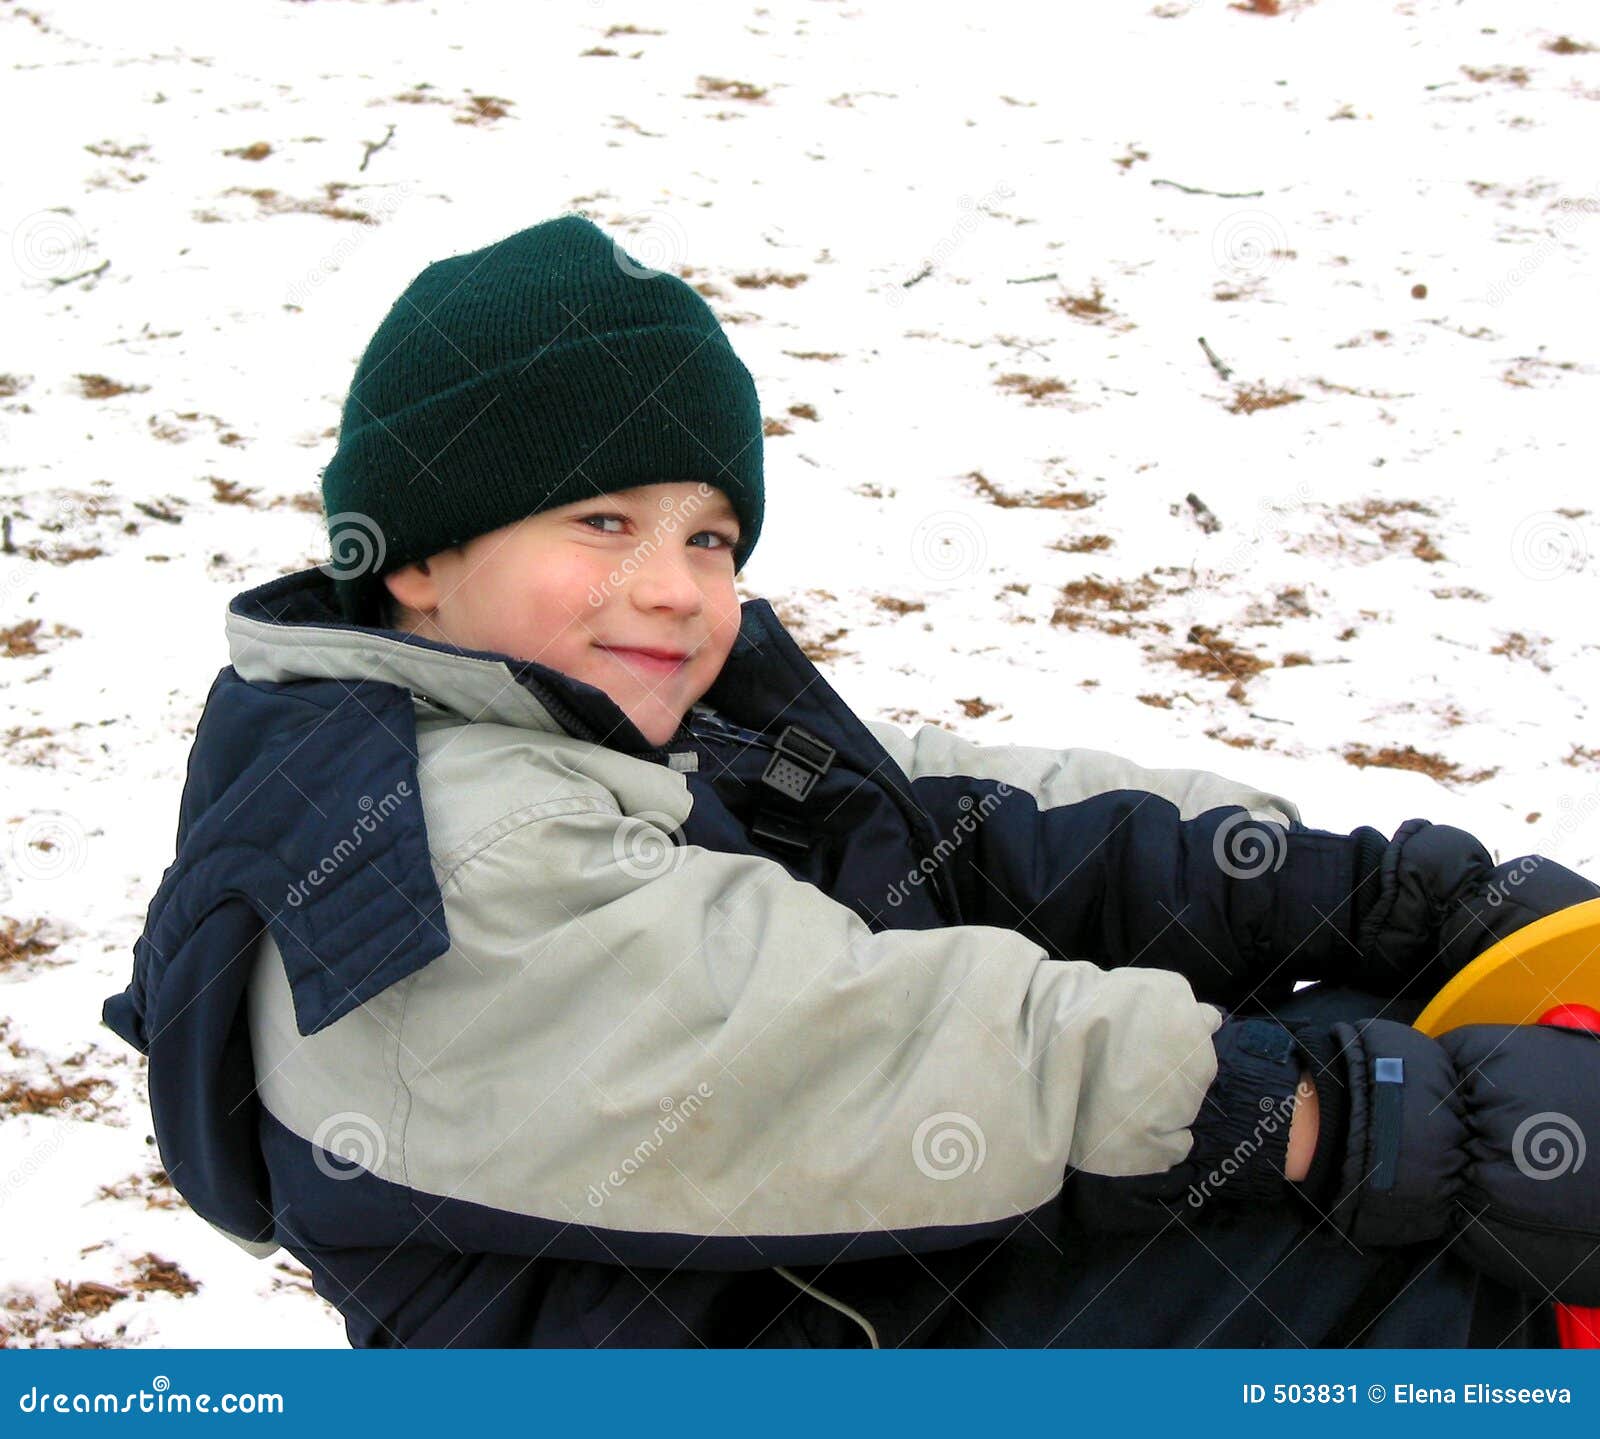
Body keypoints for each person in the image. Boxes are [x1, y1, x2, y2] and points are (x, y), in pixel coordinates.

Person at [101, 214, 1600, 1348]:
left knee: (1366, 1055)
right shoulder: (429, 860)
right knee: (1416, 1283)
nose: (680, 592)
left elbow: (976, 823)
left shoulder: (587, 736)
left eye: (710, 539)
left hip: (806, 1296)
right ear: (420, 555)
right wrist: (1376, 1123)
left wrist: (1395, 899)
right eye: (607, 522)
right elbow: (878, 1047)